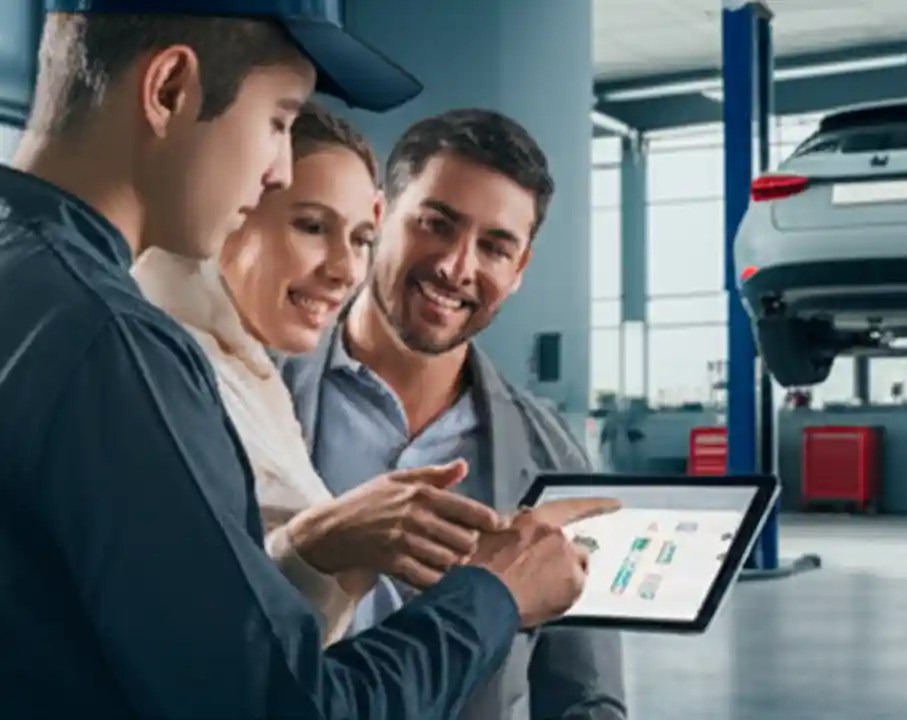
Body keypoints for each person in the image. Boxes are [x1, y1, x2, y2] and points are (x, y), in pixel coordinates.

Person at [0, 3, 607, 718]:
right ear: (169, 89)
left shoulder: (30, 285)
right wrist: (494, 593)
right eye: (280, 120)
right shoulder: (117, 349)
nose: (277, 170)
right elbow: (281, 707)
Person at [132, 101, 522, 647]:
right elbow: (193, 639)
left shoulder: (250, 378)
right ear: (235, 208)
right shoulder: (158, 373)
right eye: (312, 226)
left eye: (361, 238)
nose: (344, 270)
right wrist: (326, 546)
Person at [279, 109, 628, 719]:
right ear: (381, 216)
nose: (456, 267)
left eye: (495, 247)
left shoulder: (551, 455)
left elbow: (584, 697)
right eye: (437, 224)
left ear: (518, 271)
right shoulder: (253, 391)